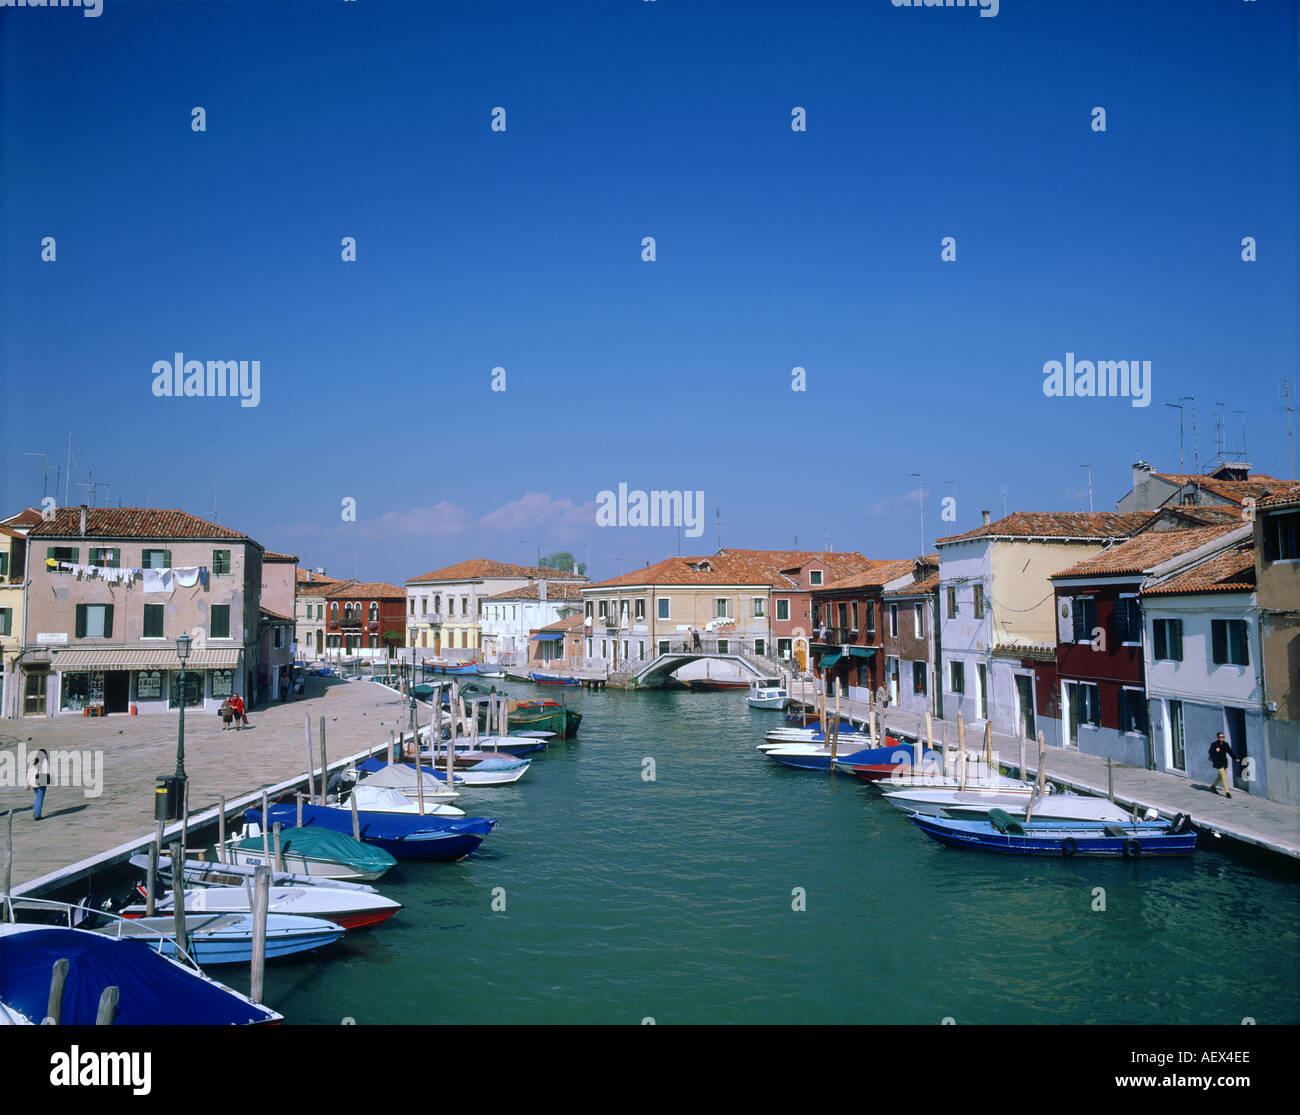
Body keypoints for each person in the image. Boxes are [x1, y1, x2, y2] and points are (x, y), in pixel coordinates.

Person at [1208, 732, 1239, 798]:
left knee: (1220, 776)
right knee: (1224, 777)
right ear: (1217, 737)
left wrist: (1235, 758)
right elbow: (1210, 752)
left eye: (1223, 737)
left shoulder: (1225, 744)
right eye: (1220, 737)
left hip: (1224, 762)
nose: (1222, 738)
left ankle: (1213, 787)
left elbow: (1230, 752)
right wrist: (1215, 750)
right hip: (1217, 762)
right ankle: (1227, 792)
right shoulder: (1214, 744)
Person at [26, 748, 51, 820]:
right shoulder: (45, 761)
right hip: (41, 782)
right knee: (40, 798)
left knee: (38, 797)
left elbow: (29, 773)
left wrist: (28, 783)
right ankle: (37, 815)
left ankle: (36, 811)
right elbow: (47, 772)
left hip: (32, 782)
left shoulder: (33, 761)